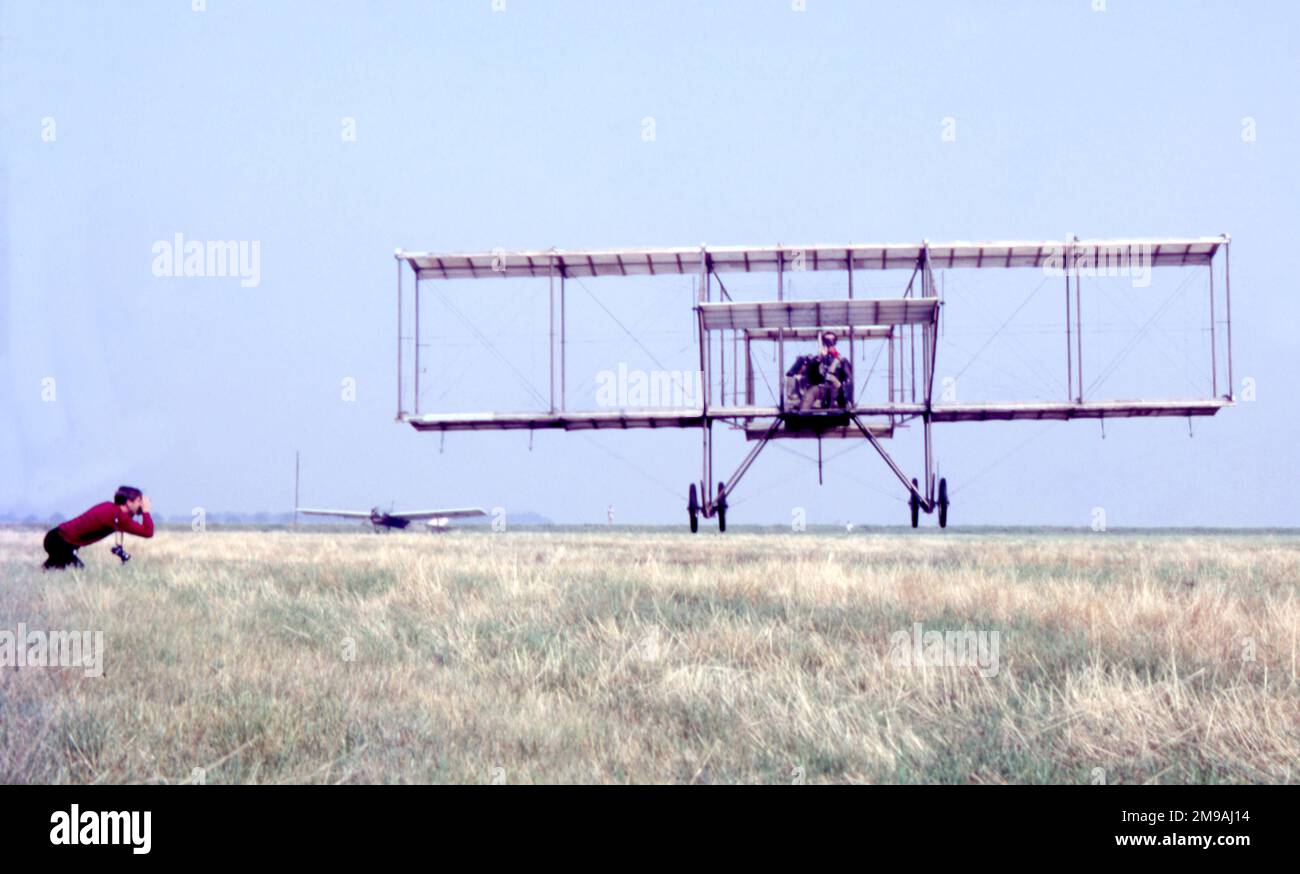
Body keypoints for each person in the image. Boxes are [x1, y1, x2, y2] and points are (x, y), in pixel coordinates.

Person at [42, 486, 155, 570]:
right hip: (59, 542)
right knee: (76, 572)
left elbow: (128, 518)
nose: (142, 504)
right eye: (139, 501)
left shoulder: (111, 508)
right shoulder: (118, 517)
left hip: (56, 538)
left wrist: (140, 507)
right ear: (129, 503)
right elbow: (148, 532)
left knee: (54, 570)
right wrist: (146, 511)